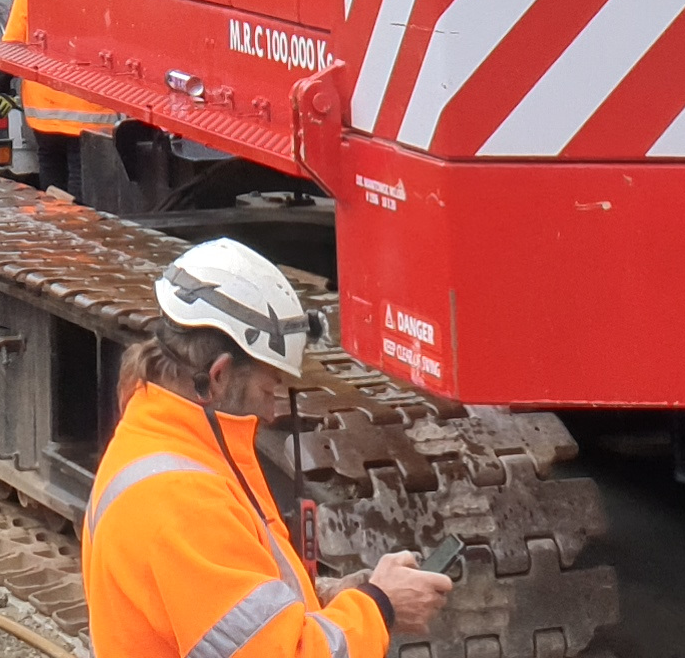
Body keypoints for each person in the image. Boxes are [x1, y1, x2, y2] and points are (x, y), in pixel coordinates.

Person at [84, 241, 454, 658]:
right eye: (269, 384)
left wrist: (334, 596)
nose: (274, 407)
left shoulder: (164, 440)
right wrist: (381, 607)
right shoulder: (183, 502)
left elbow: (233, 613)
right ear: (219, 376)